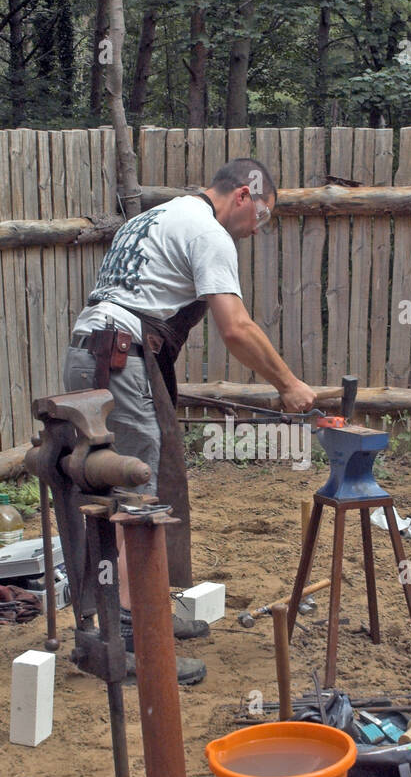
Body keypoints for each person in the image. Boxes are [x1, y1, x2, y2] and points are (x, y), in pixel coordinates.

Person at [63, 157, 316, 684]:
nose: (255, 230)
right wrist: (288, 385)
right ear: (244, 196)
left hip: (91, 348)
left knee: (115, 480)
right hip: (120, 356)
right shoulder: (209, 232)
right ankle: (132, 640)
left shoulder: (157, 217)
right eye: (262, 217)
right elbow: (236, 328)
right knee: (135, 486)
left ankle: (141, 610)